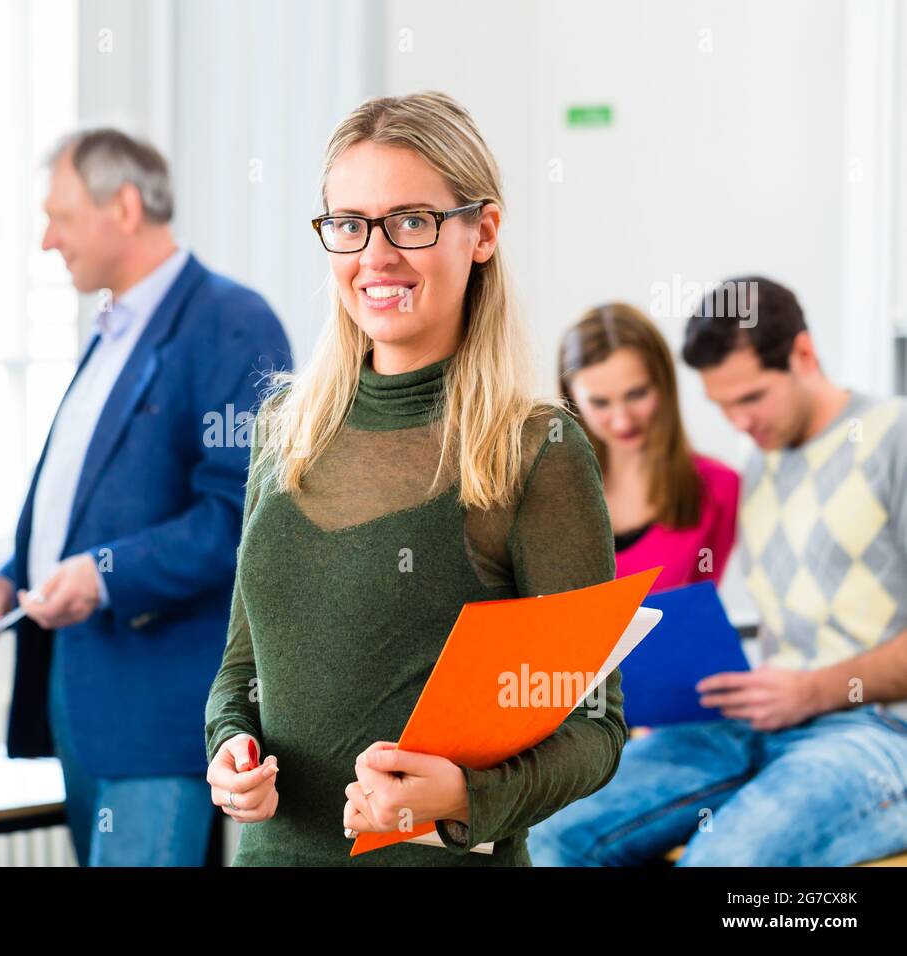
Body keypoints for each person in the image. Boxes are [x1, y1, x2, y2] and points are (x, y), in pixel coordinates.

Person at [203, 91, 625, 866]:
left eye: (412, 221)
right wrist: (231, 749)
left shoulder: (536, 449)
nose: (376, 255)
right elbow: (242, 667)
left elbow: (593, 727)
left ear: (483, 231)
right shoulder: (283, 432)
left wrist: (469, 797)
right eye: (348, 224)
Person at [0, 129, 291, 866]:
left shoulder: (232, 323)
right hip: (80, 692)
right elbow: (81, 492)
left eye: (62, 217)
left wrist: (104, 573)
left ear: (126, 207)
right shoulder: (113, 327)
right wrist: (11, 576)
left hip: (163, 705)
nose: (48, 240)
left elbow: (241, 516)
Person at [529, 277, 907, 866]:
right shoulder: (762, 461)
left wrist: (809, 691)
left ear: (804, 356)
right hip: (752, 722)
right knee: (549, 838)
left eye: (751, 397)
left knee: (721, 860)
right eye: (721, 405)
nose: (737, 422)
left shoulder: (894, 438)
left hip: (872, 731)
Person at [559, 303, 739, 592]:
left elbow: (696, 613)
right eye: (600, 402)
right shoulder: (545, 490)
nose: (622, 421)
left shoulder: (719, 490)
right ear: (572, 398)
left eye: (637, 394)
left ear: (663, 384)